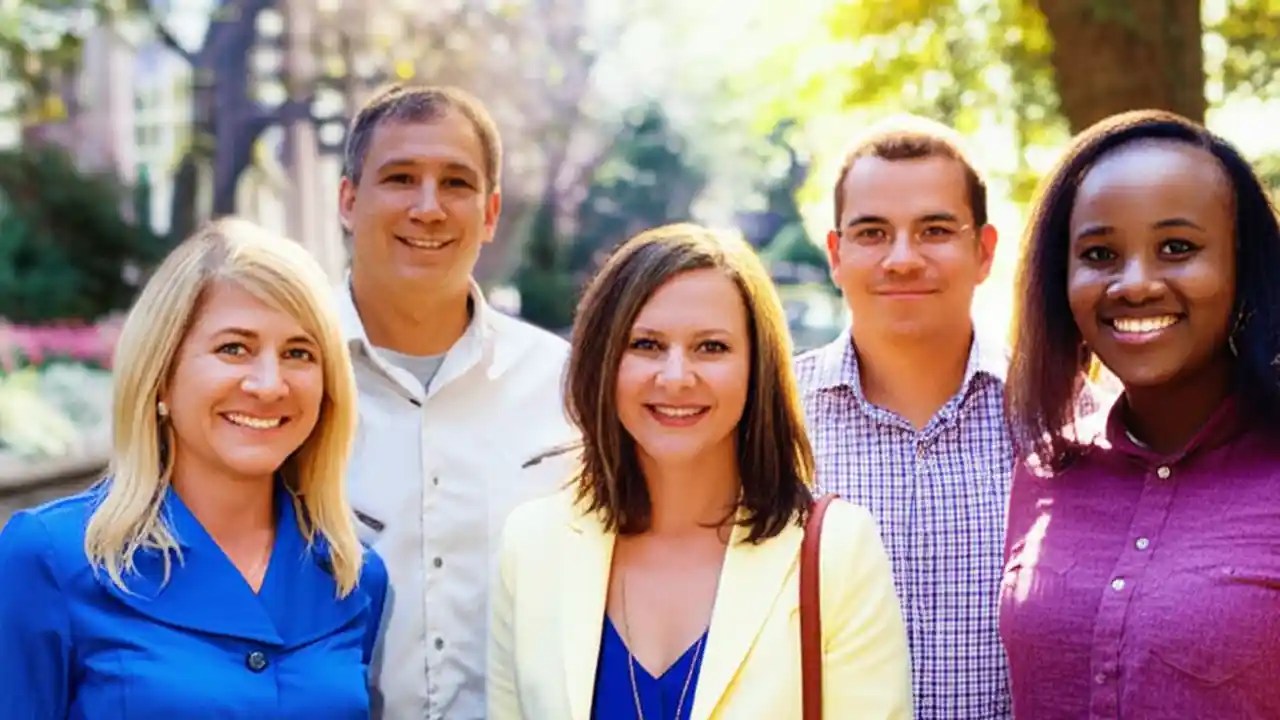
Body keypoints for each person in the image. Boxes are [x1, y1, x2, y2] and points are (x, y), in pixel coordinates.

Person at [489, 223, 912, 719]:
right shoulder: (531, 545)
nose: (676, 377)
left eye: (711, 347)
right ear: (603, 360)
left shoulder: (838, 550)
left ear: (757, 368)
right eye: (646, 344)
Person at [0, 217, 388, 719]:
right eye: (234, 348)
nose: (269, 385)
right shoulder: (50, 559)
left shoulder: (352, 576)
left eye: (298, 353)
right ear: (162, 374)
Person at [1001, 109, 1280, 718]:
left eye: (1177, 248)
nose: (1135, 284)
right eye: (1100, 253)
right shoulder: (1046, 471)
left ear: (1243, 268)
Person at [335, 83, 579, 718]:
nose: (428, 208)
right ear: (348, 200)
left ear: (490, 212)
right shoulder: (286, 383)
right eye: (400, 178)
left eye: (455, 183)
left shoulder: (565, 386)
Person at [793, 116, 1012, 718]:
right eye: (872, 233)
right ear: (836, 254)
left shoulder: (1062, 423)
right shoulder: (768, 419)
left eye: (935, 230)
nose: (902, 259)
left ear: (983, 251)